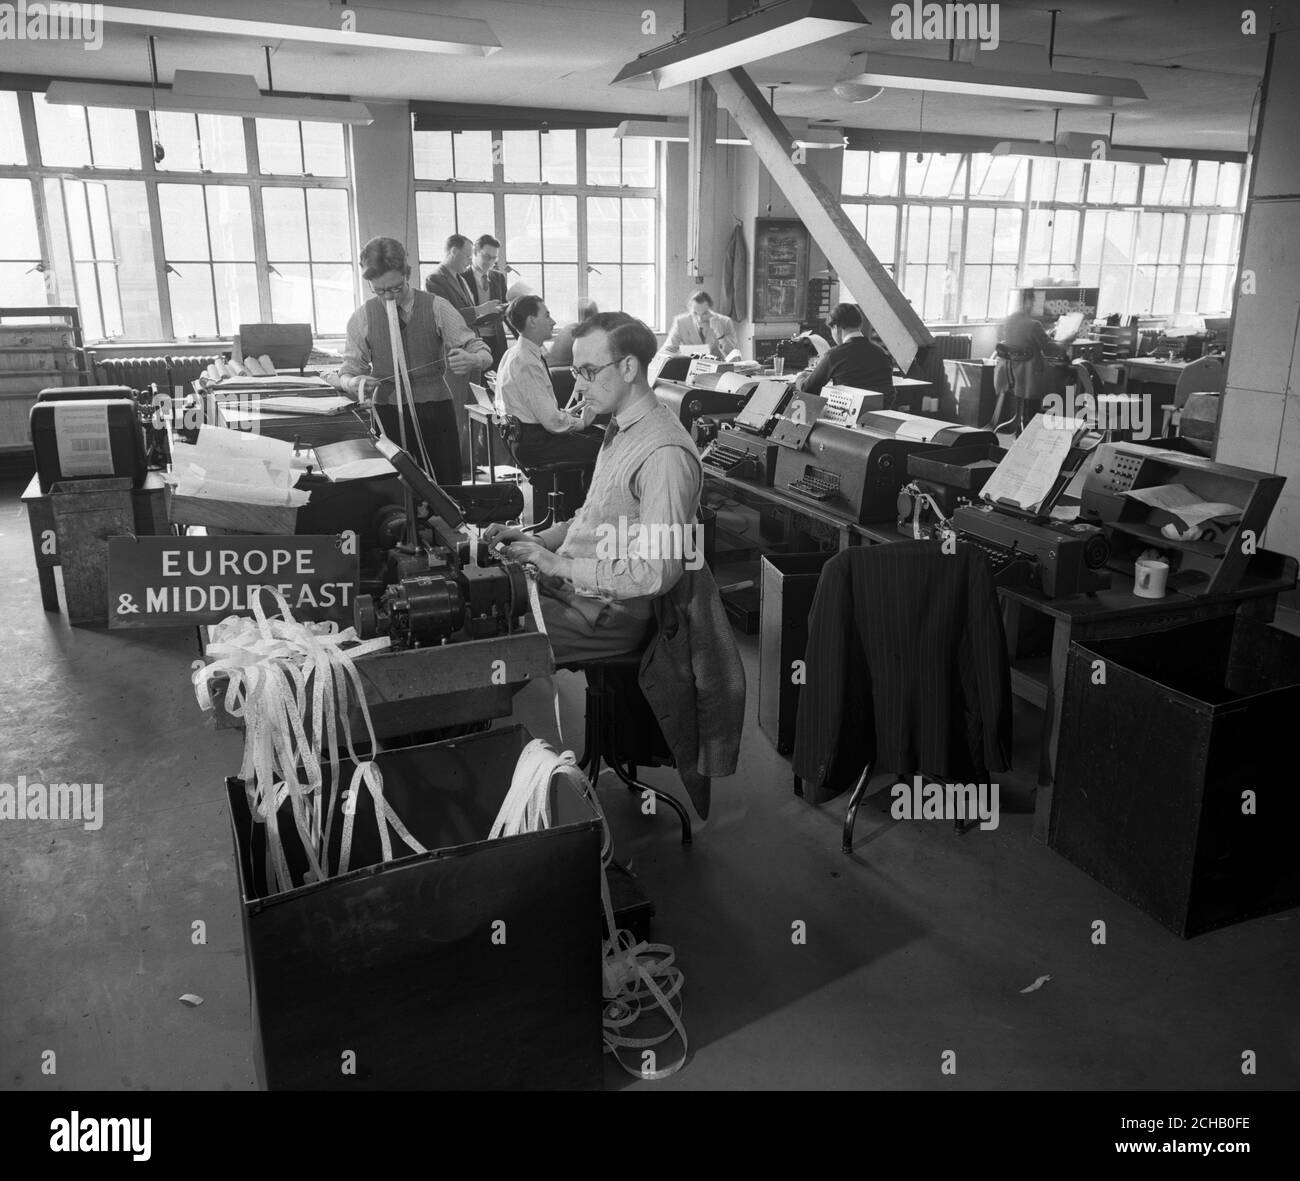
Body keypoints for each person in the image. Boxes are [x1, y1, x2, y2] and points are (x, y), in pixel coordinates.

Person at [485, 312, 703, 662]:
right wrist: (539, 542)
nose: (579, 385)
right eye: (576, 372)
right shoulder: (621, 426)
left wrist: (558, 565)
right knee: (479, 606)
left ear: (629, 368)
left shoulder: (664, 455)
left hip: (608, 613)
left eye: (588, 372)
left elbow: (655, 572)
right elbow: (596, 516)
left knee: (478, 643)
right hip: (577, 589)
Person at [326, 236, 491, 486]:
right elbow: (348, 371)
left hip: (435, 412)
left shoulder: (437, 306)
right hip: (388, 413)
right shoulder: (362, 317)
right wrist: (354, 383)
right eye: (380, 290)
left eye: (395, 288)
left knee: (444, 487)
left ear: (407, 274)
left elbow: (480, 350)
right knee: (395, 488)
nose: (389, 297)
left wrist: (474, 359)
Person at [425, 233, 504, 474]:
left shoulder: (458, 278)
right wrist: (480, 310)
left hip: (473, 350)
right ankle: (456, 465)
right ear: (453, 252)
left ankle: (470, 462)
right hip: (456, 355)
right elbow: (448, 316)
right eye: (467, 255)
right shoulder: (435, 279)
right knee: (458, 412)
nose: (469, 261)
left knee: (475, 408)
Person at [497, 294, 603, 467]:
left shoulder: (513, 354)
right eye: (546, 315)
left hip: (520, 440)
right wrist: (582, 422)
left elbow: (534, 411)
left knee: (597, 437)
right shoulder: (526, 362)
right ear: (532, 321)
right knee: (606, 448)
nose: (553, 321)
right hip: (535, 445)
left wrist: (567, 414)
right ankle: (585, 494)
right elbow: (553, 423)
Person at [994, 292, 1076, 434]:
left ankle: (1024, 424)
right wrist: (1068, 340)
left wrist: (1045, 336)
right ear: (1026, 302)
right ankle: (1064, 424)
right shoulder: (1033, 325)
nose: (1033, 306)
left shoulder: (1008, 321)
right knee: (1070, 377)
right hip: (1032, 378)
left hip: (1013, 375)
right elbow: (1050, 349)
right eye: (1032, 302)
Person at [797, 303, 895, 404]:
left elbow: (807, 389)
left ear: (836, 327)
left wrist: (800, 377)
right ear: (859, 324)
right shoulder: (882, 352)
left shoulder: (834, 355)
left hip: (848, 415)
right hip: (880, 414)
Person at [466, 234, 510, 367]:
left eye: (494, 258)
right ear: (475, 252)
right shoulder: (462, 277)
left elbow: (506, 310)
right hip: (473, 340)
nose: (490, 262)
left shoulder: (498, 278)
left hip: (497, 339)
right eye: (486, 256)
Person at [664, 290, 738, 359]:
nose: (700, 319)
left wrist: (720, 335)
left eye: (705, 313)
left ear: (711, 309)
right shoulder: (681, 322)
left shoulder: (725, 322)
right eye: (695, 313)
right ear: (689, 309)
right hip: (688, 367)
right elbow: (667, 351)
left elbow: (734, 357)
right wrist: (680, 354)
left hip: (717, 369)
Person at [547, 298, 598, 369]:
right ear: (594, 314)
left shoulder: (568, 328)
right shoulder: (585, 332)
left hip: (550, 369)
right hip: (563, 372)